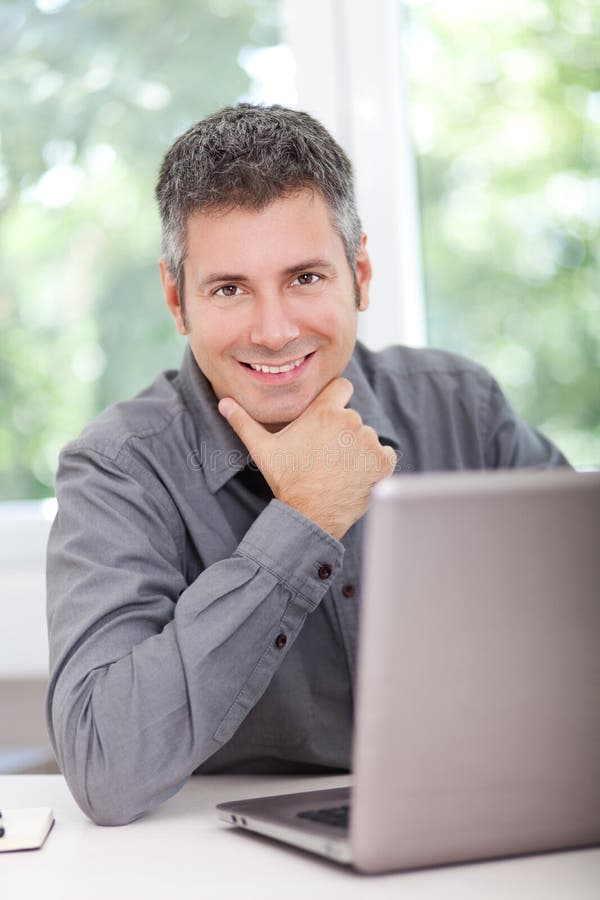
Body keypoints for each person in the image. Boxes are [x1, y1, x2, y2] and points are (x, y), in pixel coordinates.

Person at [46, 104, 568, 826]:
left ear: (360, 274)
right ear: (177, 299)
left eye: (305, 278)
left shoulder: (462, 410)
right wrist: (303, 519)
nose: (274, 330)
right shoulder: (119, 470)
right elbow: (106, 765)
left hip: (479, 820)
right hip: (223, 855)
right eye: (229, 289)